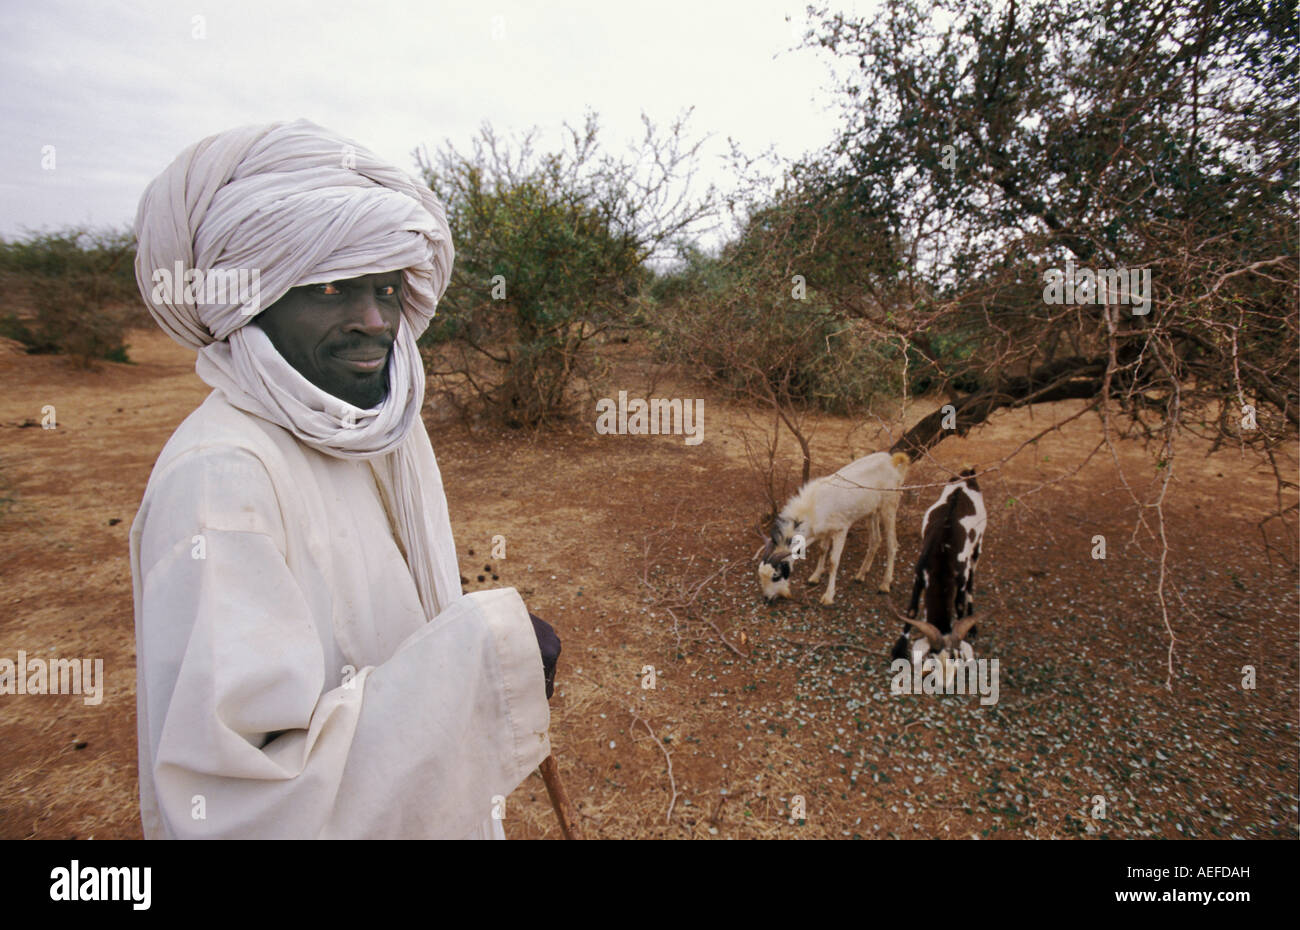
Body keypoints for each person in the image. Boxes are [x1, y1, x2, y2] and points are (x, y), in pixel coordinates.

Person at [128, 118, 560, 839]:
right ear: (252, 302)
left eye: (387, 288)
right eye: (331, 288)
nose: (374, 320)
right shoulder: (221, 481)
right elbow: (243, 806)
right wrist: (484, 659)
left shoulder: (376, 427)